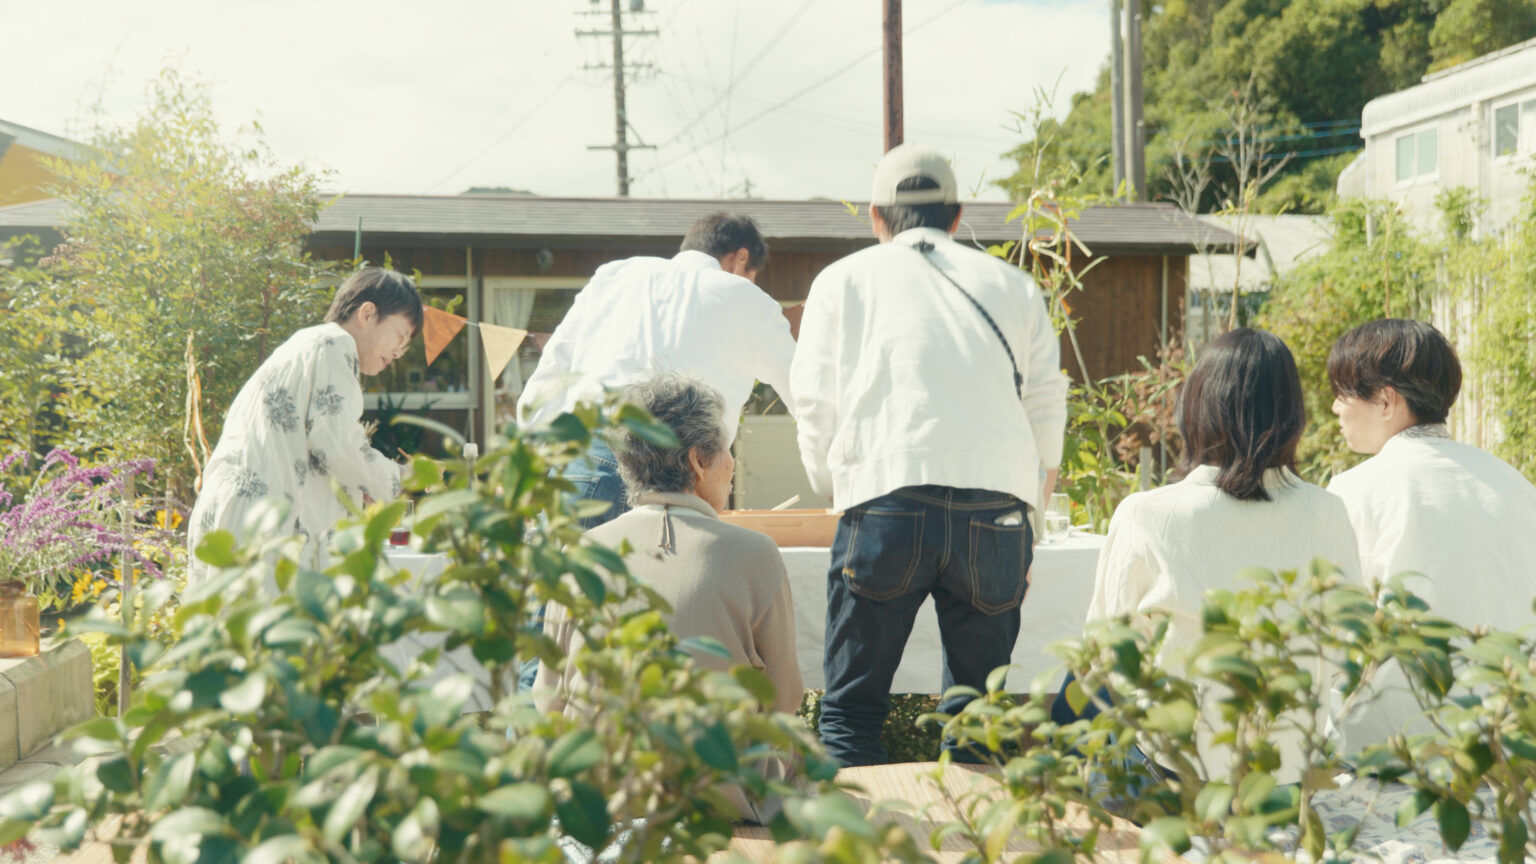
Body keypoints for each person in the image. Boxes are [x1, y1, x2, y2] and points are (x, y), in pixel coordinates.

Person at [789, 144, 1069, 766]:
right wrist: (1033, 518)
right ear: (958, 213)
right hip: (996, 508)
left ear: (875, 216)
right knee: (977, 722)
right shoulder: (1014, 285)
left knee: (851, 715)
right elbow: (1047, 404)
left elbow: (813, 399)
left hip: (884, 499)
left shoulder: (840, 281)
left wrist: (835, 490)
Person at [1077, 328, 1361, 782]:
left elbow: (1103, 655)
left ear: (1196, 406)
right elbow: (1350, 646)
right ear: (1292, 414)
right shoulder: (1328, 511)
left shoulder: (1145, 513)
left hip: (1176, 766)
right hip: (1287, 767)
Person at [532, 373, 802, 822]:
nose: (732, 464)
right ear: (699, 460)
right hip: (720, 796)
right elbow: (784, 698)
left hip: (601, 795)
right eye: (726, 451)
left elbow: (549, 699)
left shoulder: (579, 550)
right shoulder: (755, 552)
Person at [1325, 319, 1536, 749]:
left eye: (1343, 393)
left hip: (1391, 749)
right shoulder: (1514, 484)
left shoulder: (1355, 491)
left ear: (1386, 401)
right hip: (1512, 741)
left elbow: (1331, 633)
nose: (1335, 409)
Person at [516, 213, 797, 531]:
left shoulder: (614, 276)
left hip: (588, 455)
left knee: (565, 577)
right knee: (673, 579)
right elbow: (805, 391)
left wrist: (533, 461)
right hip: (680, 475)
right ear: (742, 257)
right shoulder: (750, 299)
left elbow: (553, 371)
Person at [188, 267, 422, 579]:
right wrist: (401, 476)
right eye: (400, 337)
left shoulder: (307, 344)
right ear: (367, 314)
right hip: (259, 522)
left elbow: (318, 449)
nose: (397, 353)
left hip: (231, 513)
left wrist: (359, 483)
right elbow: (338, 447)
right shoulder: (336, 345)